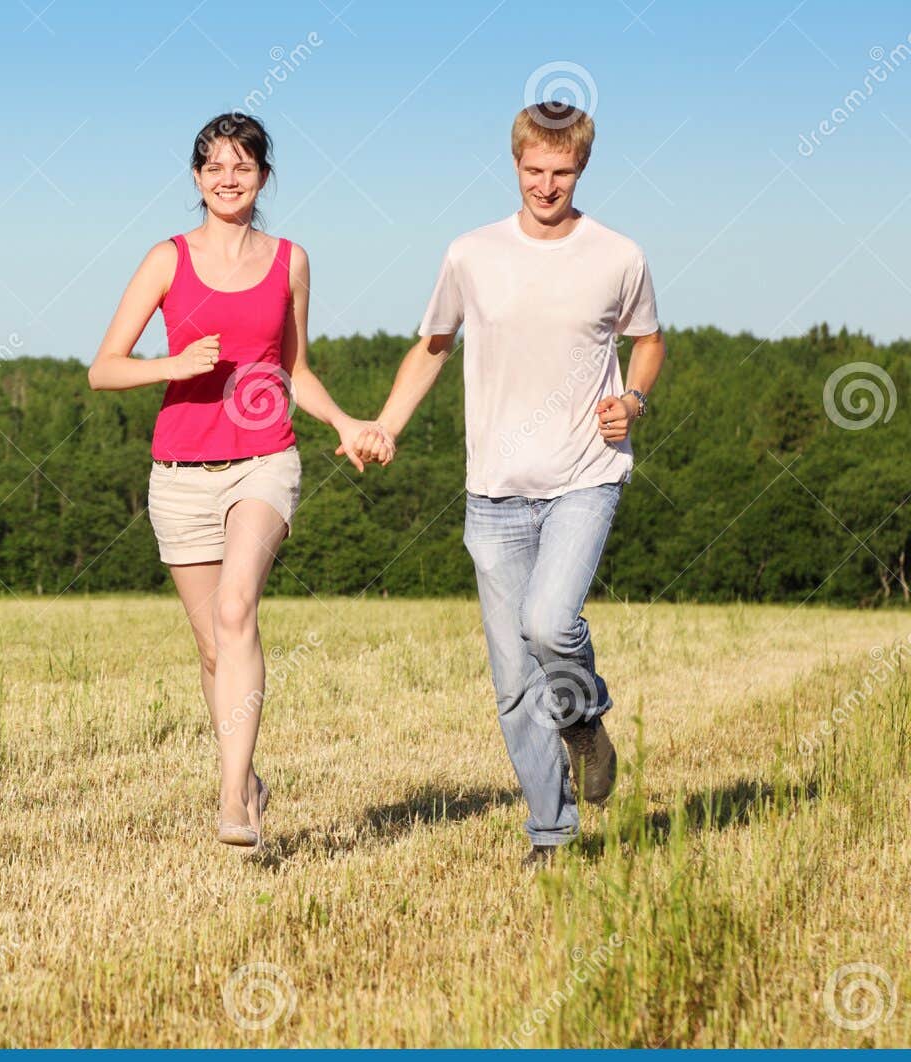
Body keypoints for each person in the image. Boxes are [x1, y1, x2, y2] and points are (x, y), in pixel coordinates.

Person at [352, 102, 666, 867]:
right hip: (493, 489)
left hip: (582, 476)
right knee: (515, 682)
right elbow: (432, 345)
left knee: (551, 623)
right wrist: (387, 423)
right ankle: (551, 834)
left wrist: (633, 400)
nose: (547, 185)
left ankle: (585, 720)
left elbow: (649, 341)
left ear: (581, 168)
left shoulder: (617, 254)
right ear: (515, 163)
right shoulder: (471, 253)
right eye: (534, 170)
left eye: (562, 172)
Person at [88, 113, 371, 852]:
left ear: (263, 178)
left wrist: (342, 422)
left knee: (238, 610)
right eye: (214, 165)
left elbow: (295, 370)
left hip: (264, 460)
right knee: (215, 650)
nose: (228, 177)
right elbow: (104, 366)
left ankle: (230, 796)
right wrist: (170, 366)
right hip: (180, 471)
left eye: (243, 165)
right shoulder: (166, 259)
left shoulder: (290, 261)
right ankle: (249, 779)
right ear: (195, 177)